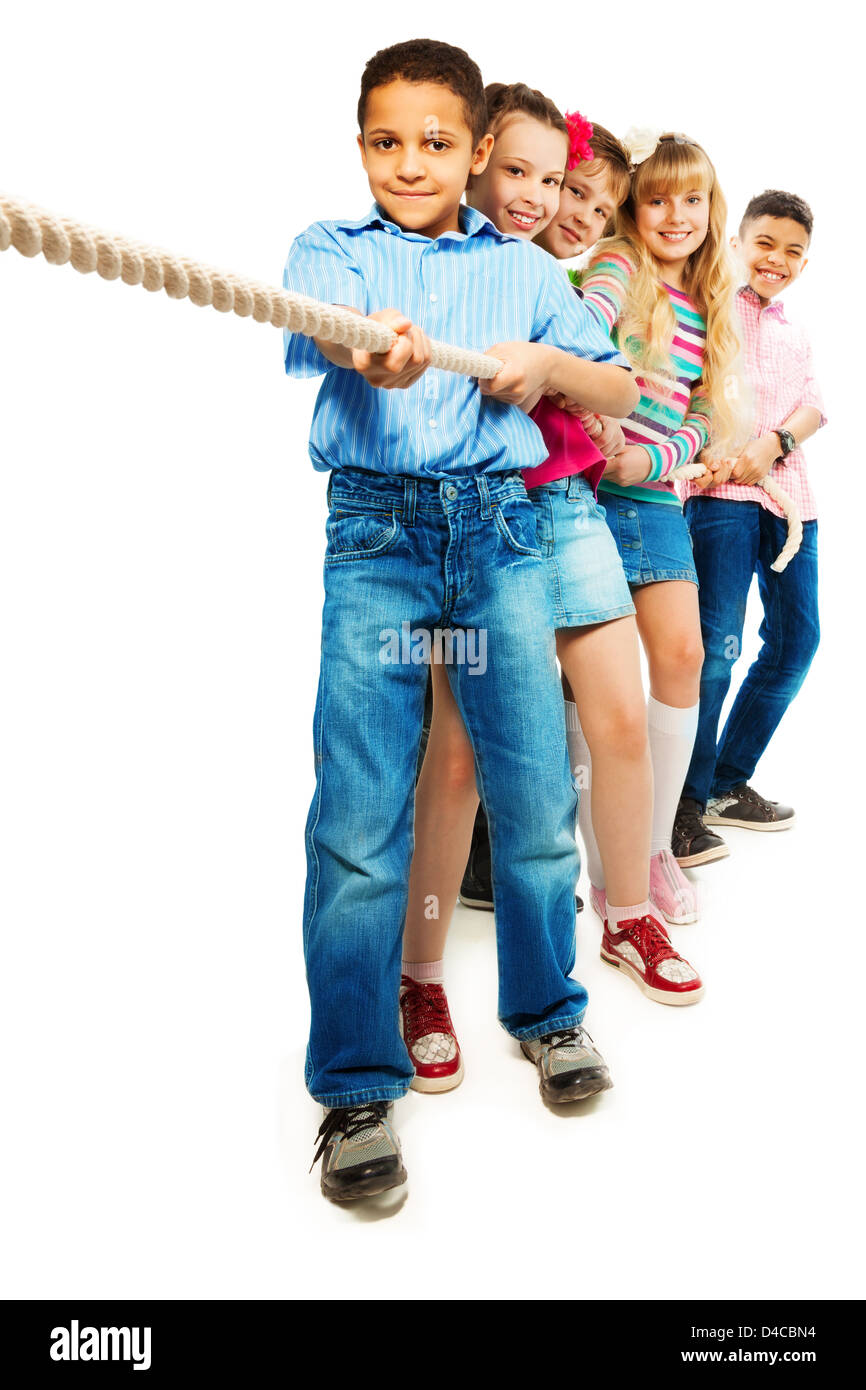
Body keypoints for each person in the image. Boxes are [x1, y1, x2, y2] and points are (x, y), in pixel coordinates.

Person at [283, 40, 638, 1201]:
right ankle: (351, 1089)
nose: (410, 162)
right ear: (360, 146)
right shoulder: (329, 251)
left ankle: (546, 1013)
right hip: (378, 549)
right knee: (356, 818)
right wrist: (367, 354)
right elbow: (325, 332)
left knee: (535, 796)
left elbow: (618, 390)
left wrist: (545, 361)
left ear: (477, 151)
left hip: (499, 546)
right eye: (386, 141)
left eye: (437, 142)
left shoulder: (529, 271)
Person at [578, 129, 745, 995]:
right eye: (657, 199)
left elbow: (708, 423)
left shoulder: (711, 307)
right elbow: (580, 329)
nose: (673, 216)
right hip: (583, 499)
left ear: (709, 212)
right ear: (635, 208)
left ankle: (646, 847)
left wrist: (651, 459)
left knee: (683, 656)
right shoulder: (618, 269)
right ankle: (599, 860)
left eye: (691, 201)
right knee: (588, 682)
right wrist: (594, 409)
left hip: (651, 501)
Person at [673, 190, 824, 862]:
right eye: (766, 243)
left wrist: (773, 446)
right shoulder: (708, 310)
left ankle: (726, 783)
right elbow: (682, 391)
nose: (778, 259)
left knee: (797, 643)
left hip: (790, 498)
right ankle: (681, 803)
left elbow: (815, 405)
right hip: (722, 502)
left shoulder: (794, 329)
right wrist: (709, 453)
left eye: (793, 251)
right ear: (736, 242)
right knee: (716, 651)